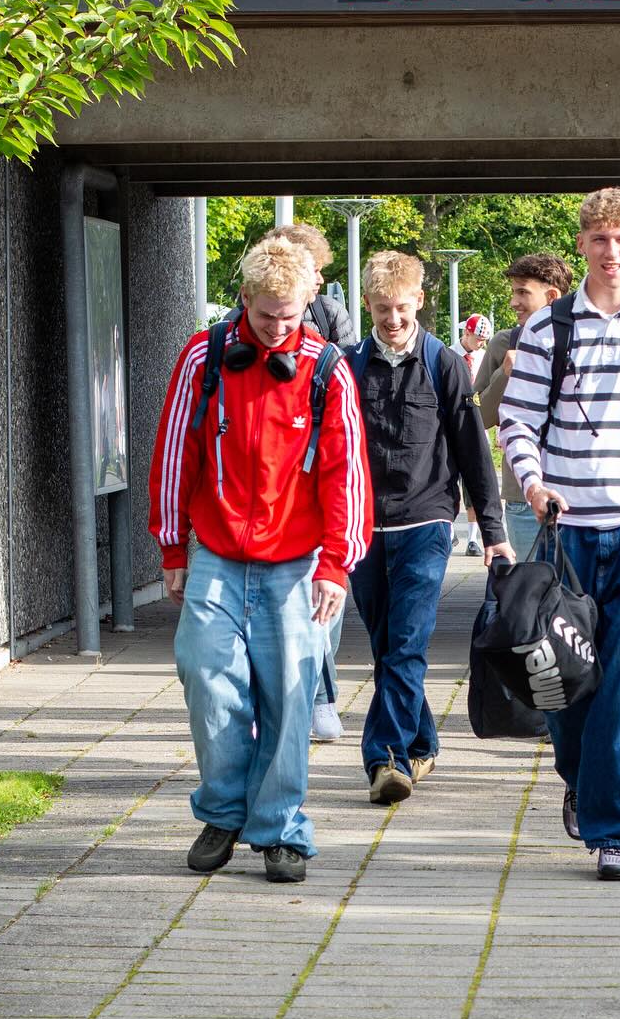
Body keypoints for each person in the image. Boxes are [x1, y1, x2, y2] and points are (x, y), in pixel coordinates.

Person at [148, 235, 372, 883]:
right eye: (268, 314)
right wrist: (171, 546)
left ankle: (279, 830)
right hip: (214, 552)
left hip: (296, 561)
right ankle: (223, 811)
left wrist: (337, 564)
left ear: (309, 302)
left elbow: (346, 473)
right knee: (206, 677)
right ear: (244, 299)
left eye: (292, 315)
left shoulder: (327, 367)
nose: (279, 328)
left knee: (290, 695)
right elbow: (173, 452)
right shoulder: (206, 355)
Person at [498, 187, 620, 883]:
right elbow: (517, 421)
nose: (613, 253)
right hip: (565, 533)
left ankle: (614, 829)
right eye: (601, 240)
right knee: (565, 687)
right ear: (582, 245)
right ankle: (579, 776)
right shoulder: (549, 329)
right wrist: (533, 481)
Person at [350, 251, 511, 804]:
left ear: (418, 301)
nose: (392, 319)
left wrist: (493, 530)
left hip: (427, 519)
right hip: (365, 527)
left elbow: (473, 450)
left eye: (400, 307)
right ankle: (422, 740)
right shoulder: (347, 366)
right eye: (381, 308)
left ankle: (384, 758)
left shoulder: (443, 362)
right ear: (367, 304)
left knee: (408, 642)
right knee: (384, 645)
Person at [269, 223, 358, 744]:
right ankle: (303, 697)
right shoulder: (254, 318)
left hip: (317, 457)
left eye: (320, 271)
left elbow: (347, 375)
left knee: (326, 596)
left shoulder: (329, 316)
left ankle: (321, 696)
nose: (318, 279)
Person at [477, 253, 574, 562]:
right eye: (513, 291)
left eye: (522, 292)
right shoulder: (503, 343)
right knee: (532, 594)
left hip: (577, 496)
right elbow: (480, 416)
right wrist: (504, 375)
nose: (513, 301)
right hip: (522, 496)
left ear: (552, 296)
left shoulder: (584, 340)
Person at [451, 312, 494, 556]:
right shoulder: (447, 354)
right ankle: (449, 532)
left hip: (476, 427)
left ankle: (473, 539)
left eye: (483, 340)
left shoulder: (483, 358)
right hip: (450, 428)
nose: (480, 344)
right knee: (447, 484)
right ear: (466, 333)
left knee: (474, 486)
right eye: (478, 339)